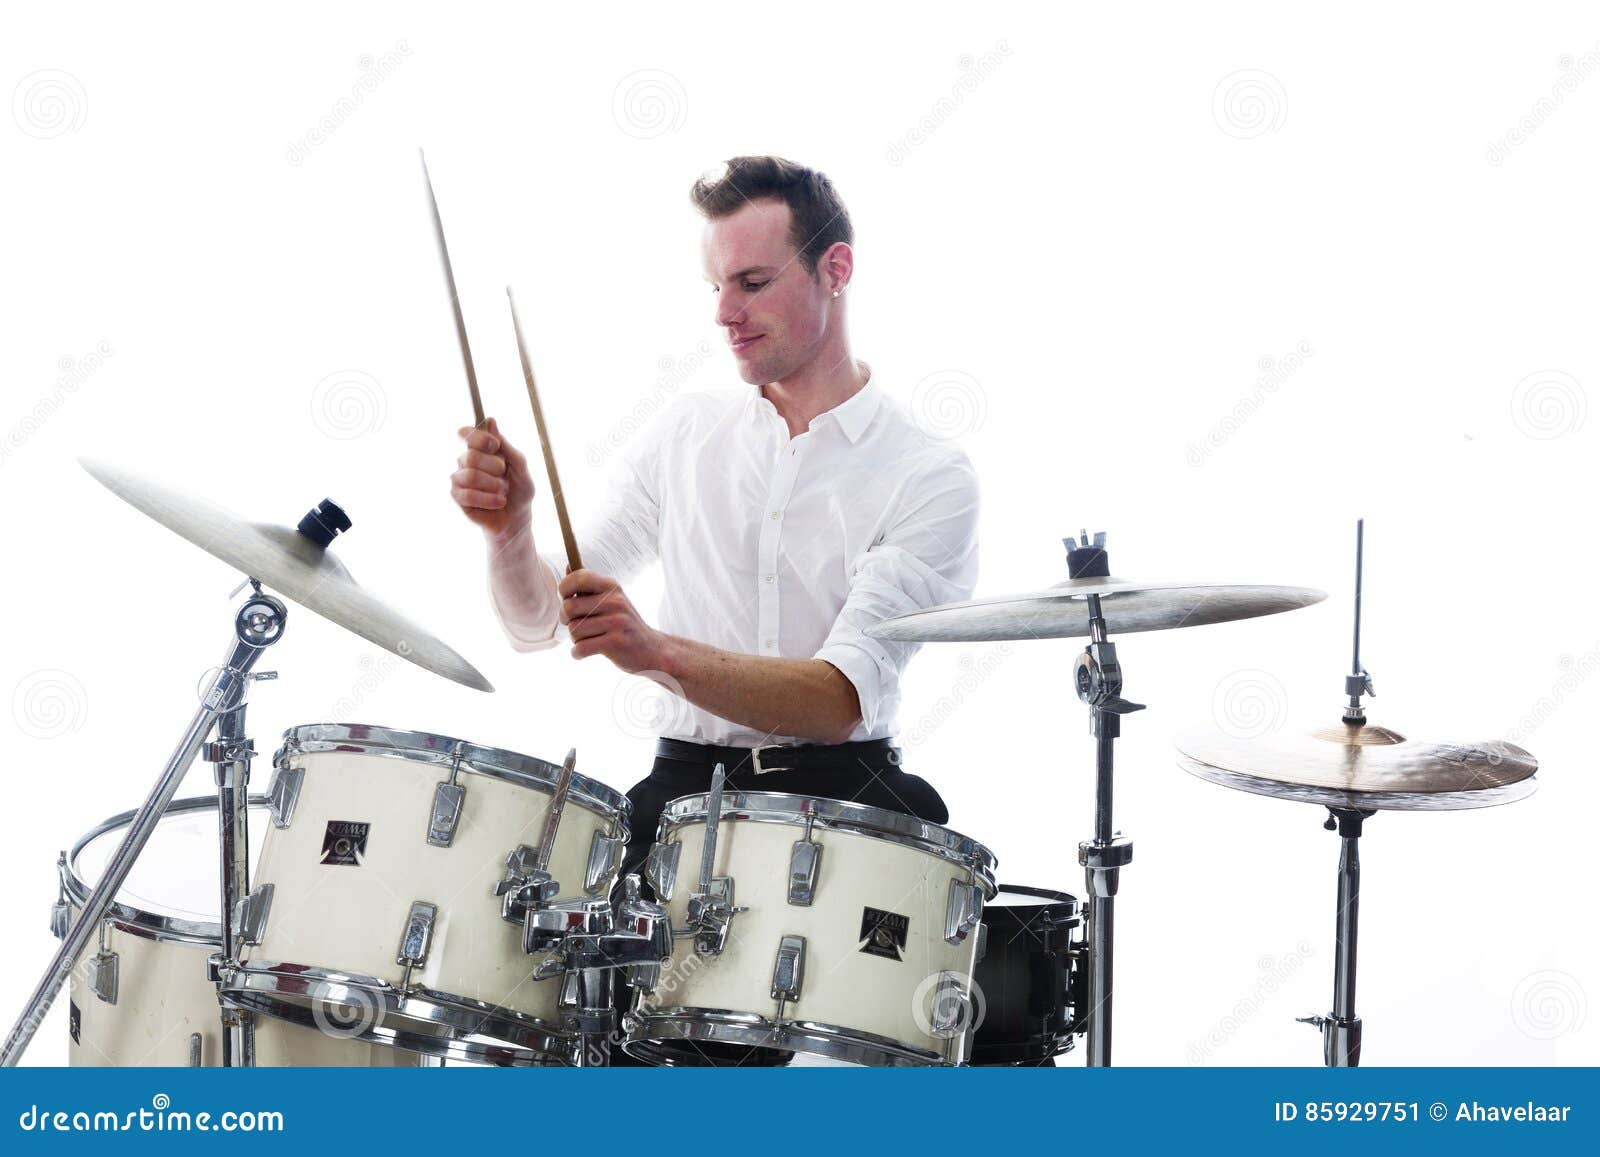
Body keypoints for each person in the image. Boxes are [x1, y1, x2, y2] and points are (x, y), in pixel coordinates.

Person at [449, 154, 979, 1064]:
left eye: (753, 282)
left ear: (836, 270)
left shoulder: (927, 473)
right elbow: (541, 622)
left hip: (843, 794)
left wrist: (657, 652)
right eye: (715, 285)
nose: (724, 312)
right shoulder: (687, 434)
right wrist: (511, 530)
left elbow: (838, 696)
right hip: (684, 796)